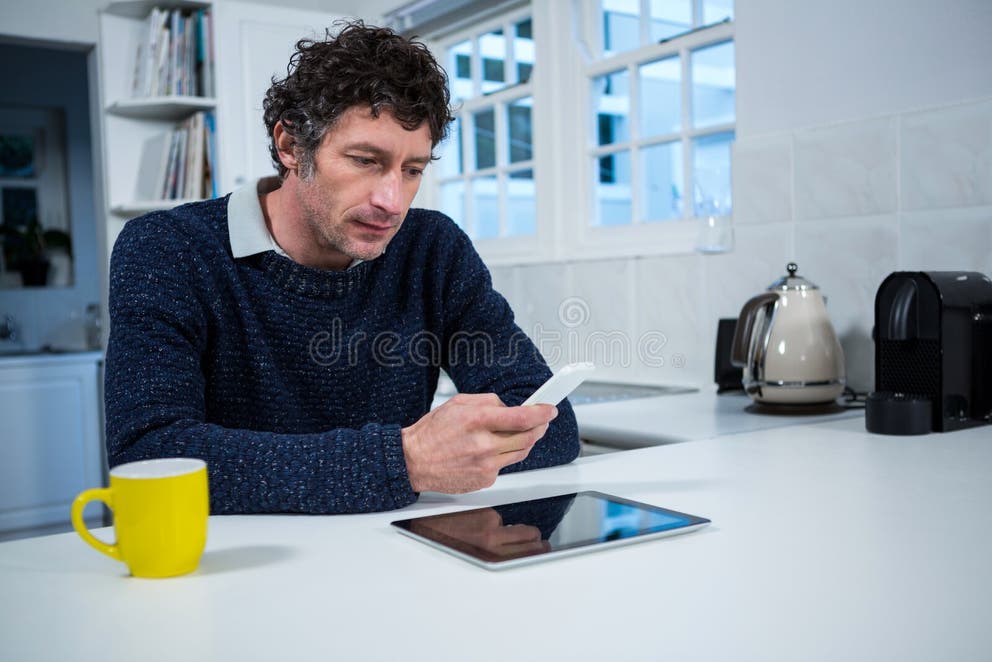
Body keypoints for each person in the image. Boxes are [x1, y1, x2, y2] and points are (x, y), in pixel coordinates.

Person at [104, 20, 580, 515]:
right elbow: (148, 453)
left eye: (412, 170)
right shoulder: (168, 248)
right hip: (235, 568)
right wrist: (405, 460)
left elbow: (553, 425)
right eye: (364, 160)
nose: (391, 201)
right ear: (290, 146)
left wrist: (440, 451)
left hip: (391, 556)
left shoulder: (433, 249)